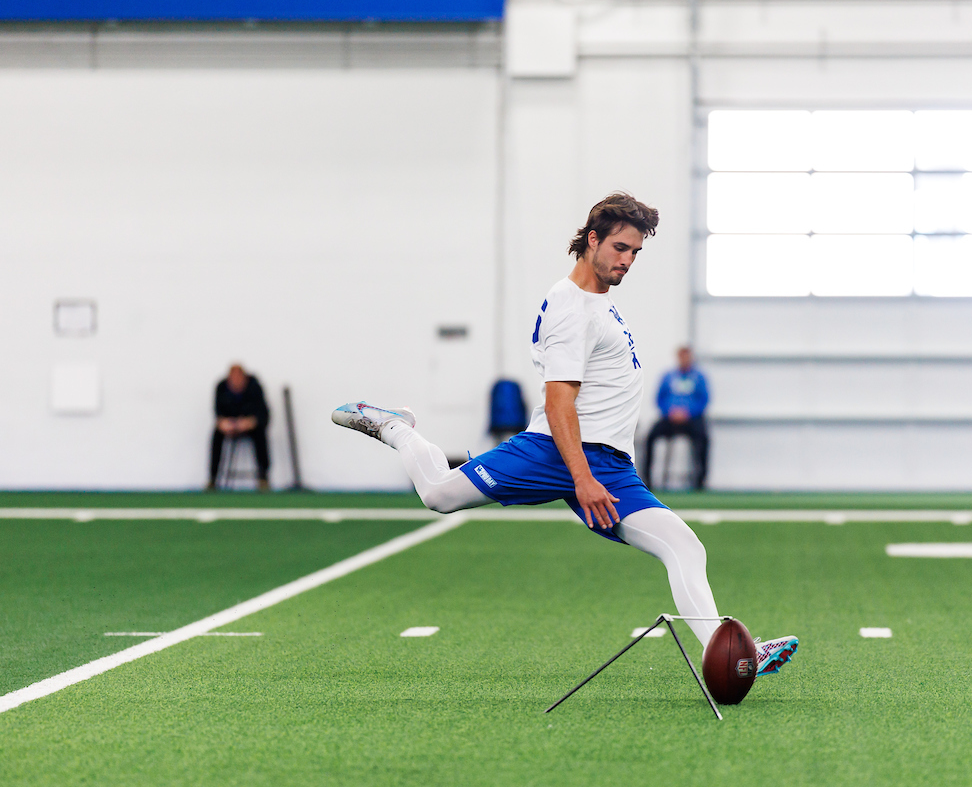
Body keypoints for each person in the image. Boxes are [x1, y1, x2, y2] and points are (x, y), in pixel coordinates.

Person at [331, 193, 796, 676]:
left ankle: (730, 658)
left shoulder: (598, 301)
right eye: (620, 247)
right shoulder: (572, 308)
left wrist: (596, 473)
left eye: (636, 252)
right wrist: (582, 477)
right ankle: (393, 427)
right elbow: (558, 403)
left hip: (610, 464)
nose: (628, 260)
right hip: (557, 451)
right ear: (591, 239)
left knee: (684, 547)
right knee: (438, 494)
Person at [644, 346, 710, 491]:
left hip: (691, 419)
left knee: (704, 437)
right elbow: (659, 399)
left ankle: (700, 482)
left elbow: (704, 399)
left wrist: (688, 412)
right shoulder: (668, 376)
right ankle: (647, 480)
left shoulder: (699, 377)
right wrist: (670, 412)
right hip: (670, 418)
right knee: (650, 437)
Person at [208, 364, 270, 491]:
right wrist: (224, 423)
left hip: (249, 426)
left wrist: (250, 422)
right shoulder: (221, 387)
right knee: (216, 434)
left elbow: (263, 414)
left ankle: (263, 476)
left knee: (260, 434)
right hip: (230, 426)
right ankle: (213, 478)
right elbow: (218, 413)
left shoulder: (255, 387)